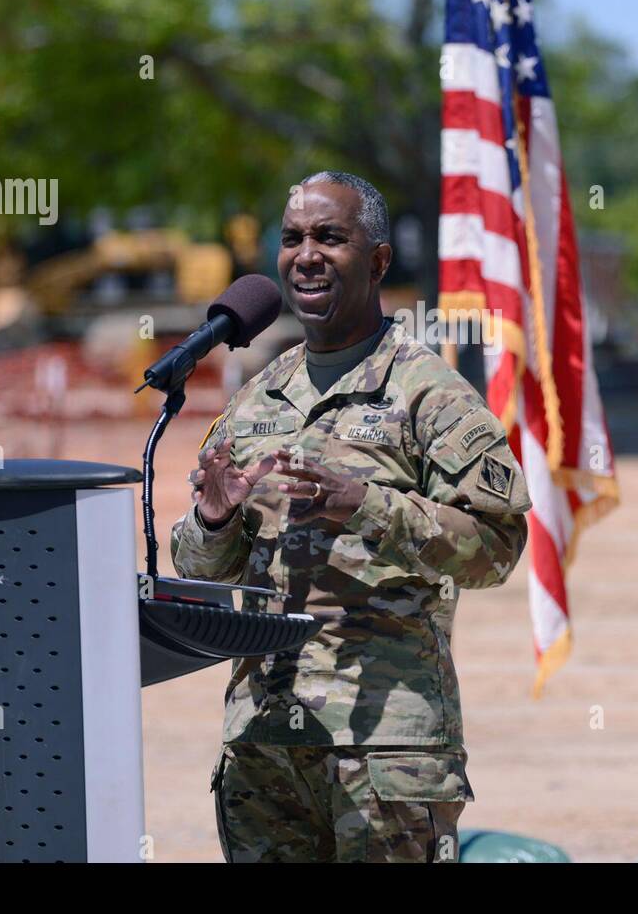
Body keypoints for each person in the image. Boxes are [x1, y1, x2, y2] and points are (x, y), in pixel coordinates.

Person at [170, 169, 531, 863]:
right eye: (293, 238)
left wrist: (368, 506)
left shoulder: (431, 395)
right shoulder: (257, 398)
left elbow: (495, 548)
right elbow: (200, 570)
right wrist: (213, 523)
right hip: (265, 744)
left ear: (378, 262)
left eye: (330, 238)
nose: (306, 254)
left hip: (386, 746)